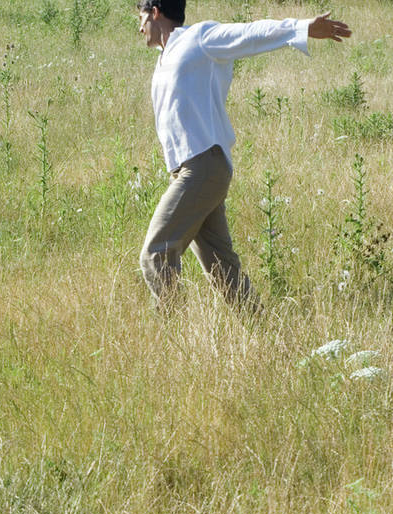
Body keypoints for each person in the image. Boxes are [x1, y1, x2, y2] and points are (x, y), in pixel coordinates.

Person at [135, 1, 351, 313]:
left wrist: (301, 27)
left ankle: (171, 339)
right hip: (193, 170)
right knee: (223, 267)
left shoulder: (198, 40)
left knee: (156, 253)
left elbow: (250, 33)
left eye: (142, 18)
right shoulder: (165, 58)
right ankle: (261, 329)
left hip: (203, 167)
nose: (140, 27)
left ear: (156, 12)